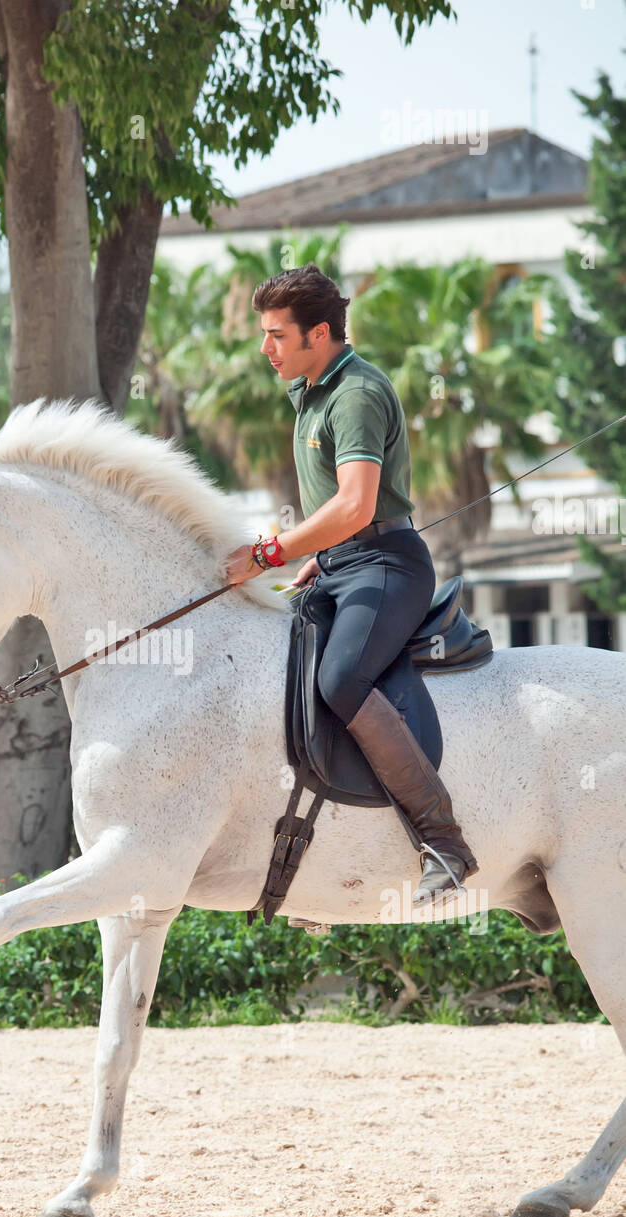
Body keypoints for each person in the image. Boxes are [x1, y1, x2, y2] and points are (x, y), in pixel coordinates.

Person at [223, 263, 478, 910]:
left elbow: (358, 505)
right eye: (265, 334)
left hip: (389, 567)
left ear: (319, 334)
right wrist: (321, 556)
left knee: (339, 680)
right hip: (343, 567)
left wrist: (269, 552)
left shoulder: (355, 393)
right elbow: (338, 517)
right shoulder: (311, 389)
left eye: (277, 334)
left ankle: (445, 841)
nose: (264, 347)